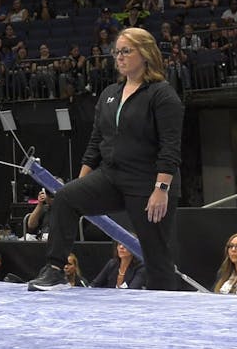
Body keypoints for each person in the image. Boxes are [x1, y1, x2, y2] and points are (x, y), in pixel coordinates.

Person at [29, 27, 184, 291]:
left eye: (126, 51)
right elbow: (95, 143)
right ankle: (54, 270)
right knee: (66, 197)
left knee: (156, 256)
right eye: (117, 52)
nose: (119, 57)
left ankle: (168, 305)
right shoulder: (110, 94)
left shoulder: (161, 93)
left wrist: (161, 189)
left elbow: (170, 147)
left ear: (145, 53)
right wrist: (80, 185)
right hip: (111, 175)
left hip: (148, 181)